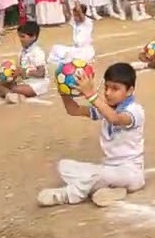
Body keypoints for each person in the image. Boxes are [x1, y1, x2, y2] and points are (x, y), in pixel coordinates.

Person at [37, 62, 145, 207]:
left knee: (95, 176)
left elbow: (115, 119)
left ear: (130, 90)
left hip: (130, 173)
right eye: (106, 87)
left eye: (115, 89)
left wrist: (91, 95)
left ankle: (66, 195)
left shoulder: (135, 110)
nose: (107, 93)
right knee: (65, 166)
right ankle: (112, 190)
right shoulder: (108, 108)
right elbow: (73, 110)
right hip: (109, 169)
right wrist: (64, 90)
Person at [0, 21, 49, 103]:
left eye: (23, 36)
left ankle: (12, 94)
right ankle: (10, 95)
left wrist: (25, 71)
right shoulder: (22, 52)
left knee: (14, 88)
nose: (20, 39)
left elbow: (41, 73)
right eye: (20, 36)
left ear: (33, 37)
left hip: (37, 84)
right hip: (25, 81)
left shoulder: (37, 52)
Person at [48, 1, 96, 70]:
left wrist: (75, 0)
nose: (75, 17)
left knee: (70, 56)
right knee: (55, 48)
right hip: (75, 48)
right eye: (74, 15)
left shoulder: (87, 22)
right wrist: (65, 2)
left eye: (76, 15)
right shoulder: (74, 22)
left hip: (85, 51)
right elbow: (67, 14)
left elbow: (80, 13)